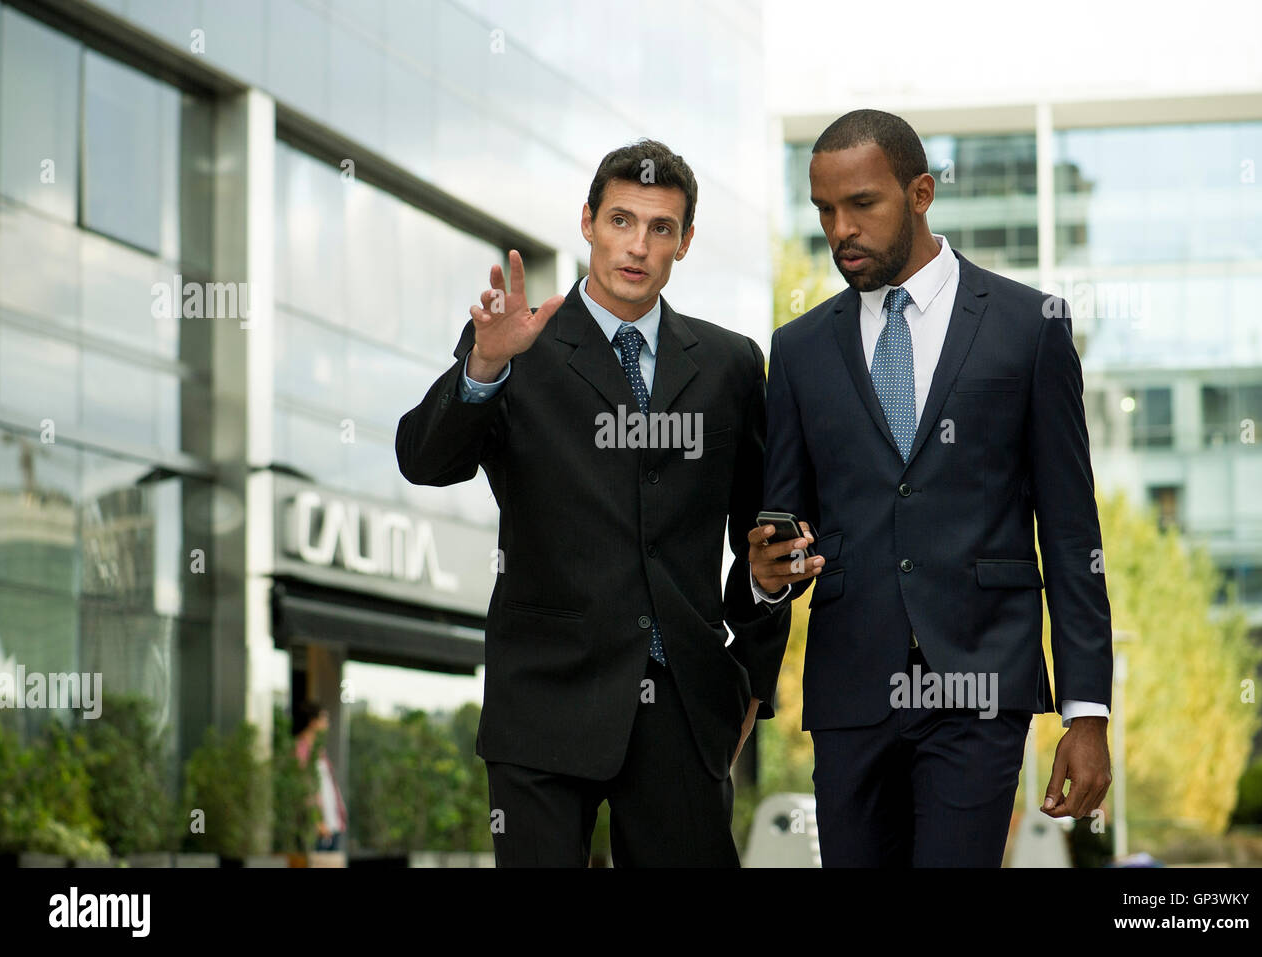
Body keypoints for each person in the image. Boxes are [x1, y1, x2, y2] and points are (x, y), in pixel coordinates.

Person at [395, 139, 791, 867]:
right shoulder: (518, 343)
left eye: (661, 227)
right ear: (587, 222)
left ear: (686, 241)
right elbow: (424, 460)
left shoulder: (731, 366)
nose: (637, 245)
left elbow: (764, 543)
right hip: (544, 703)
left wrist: (748, 685)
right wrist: (485, 366)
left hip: (682, 706)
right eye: (620, 220)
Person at [750, 109, 1113, 867]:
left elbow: (1072, 531)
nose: (840, 228)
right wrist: (766, 576)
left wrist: (1087, 714)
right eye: (823, 210)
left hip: (980, 682)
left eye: (861, 204)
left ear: (920, 193)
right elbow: (784, 521)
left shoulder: (1029, 324)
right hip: (852, 688)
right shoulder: (798, 349)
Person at [294, 702, 347, 853]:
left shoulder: (319, 750)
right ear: (313, 721)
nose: (328, 723)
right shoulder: (300, 749)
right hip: (316, 826)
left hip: (332, 823)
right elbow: (304, 788)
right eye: (324, 719)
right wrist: (316, 820)